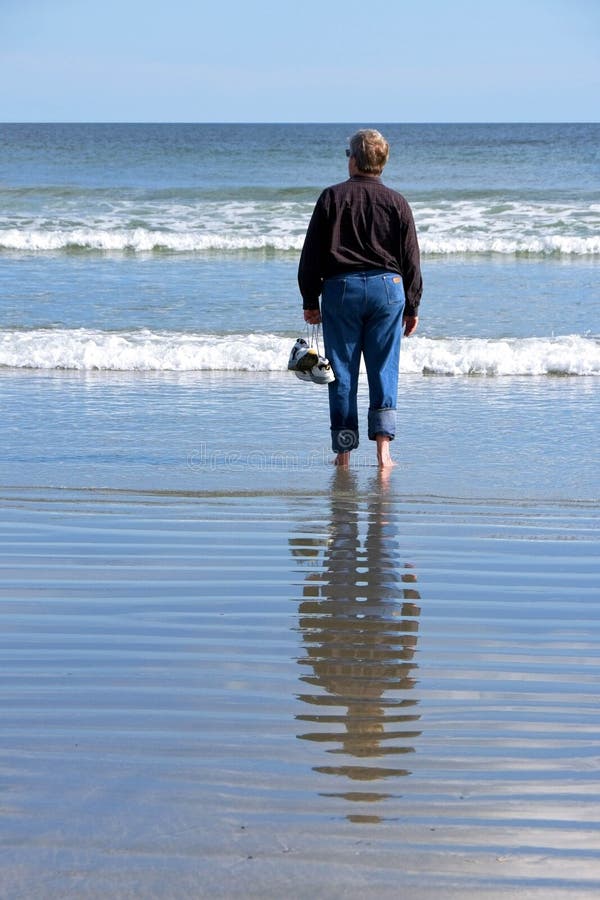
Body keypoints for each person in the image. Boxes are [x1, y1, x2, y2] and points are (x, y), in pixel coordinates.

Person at [298, 128, 423, 468]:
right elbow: (411, 258)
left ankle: (344, 454)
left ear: (353, 159)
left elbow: (311, 254)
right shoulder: (398, 202)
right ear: (381, 163)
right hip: (388, 288)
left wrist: (310, 299)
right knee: (384, 368)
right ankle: (384, 453)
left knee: (341, 372)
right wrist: (412, 305)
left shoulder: (331, 197)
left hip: (341, 289)